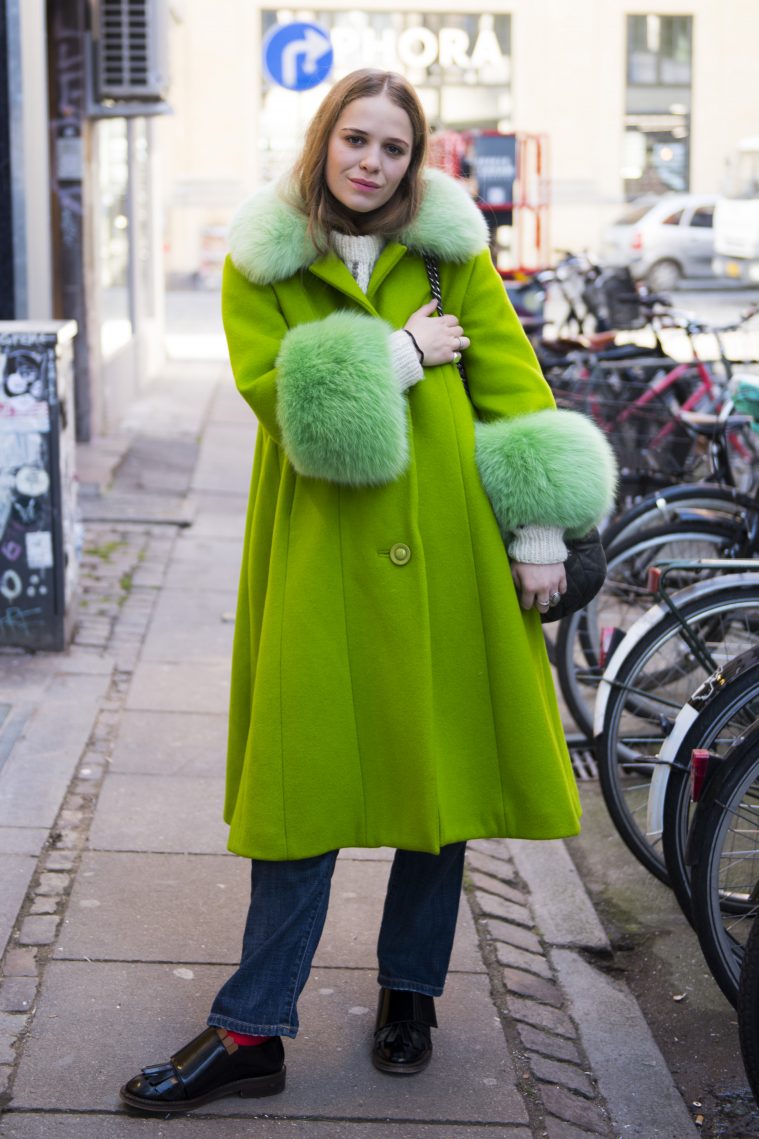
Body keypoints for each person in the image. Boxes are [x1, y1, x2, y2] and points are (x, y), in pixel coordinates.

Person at [120, 68, 616, 1115]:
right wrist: (400, 351)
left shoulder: (450, 253)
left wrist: (537, 536)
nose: (372, 162)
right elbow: (295, 408)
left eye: (394, 148)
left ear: (414, 159)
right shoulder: (264, 259)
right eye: (357, 140)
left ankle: (411, 991)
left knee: (436, 795)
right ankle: (253, 1027)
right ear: (323, 141)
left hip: (450, 555)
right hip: (321, 557)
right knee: (299, 798)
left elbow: (513, 392)